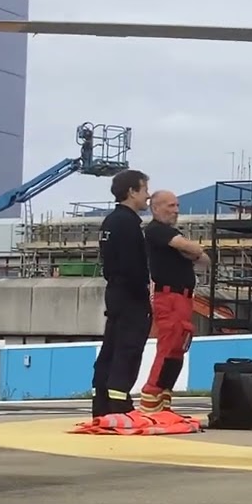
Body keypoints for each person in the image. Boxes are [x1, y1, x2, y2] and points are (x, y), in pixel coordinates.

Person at [138, 190, 210, 414]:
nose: (176, 210)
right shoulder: (156, 231)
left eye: (177, 205)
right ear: (156, 208)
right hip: (168, 297)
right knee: (168, 347)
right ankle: (151, 397)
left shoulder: (172, 235)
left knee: (178, 349)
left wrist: (191, 250)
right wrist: (191, 250)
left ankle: (164, 401)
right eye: (170, 206)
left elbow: (205, 260)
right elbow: (196, 251)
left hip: (184, 298)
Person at [91, 169, 152, 418]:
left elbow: (110, 264)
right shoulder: (128, 224)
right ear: (132, 192)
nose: (147, 196)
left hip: (115, 293)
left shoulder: (111, 222)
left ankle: (102, 403)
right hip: (130, 296)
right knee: (128, 349)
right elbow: (132, 265)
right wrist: (144, 292)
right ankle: (120, 403)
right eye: (145, 190)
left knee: (111, 348)